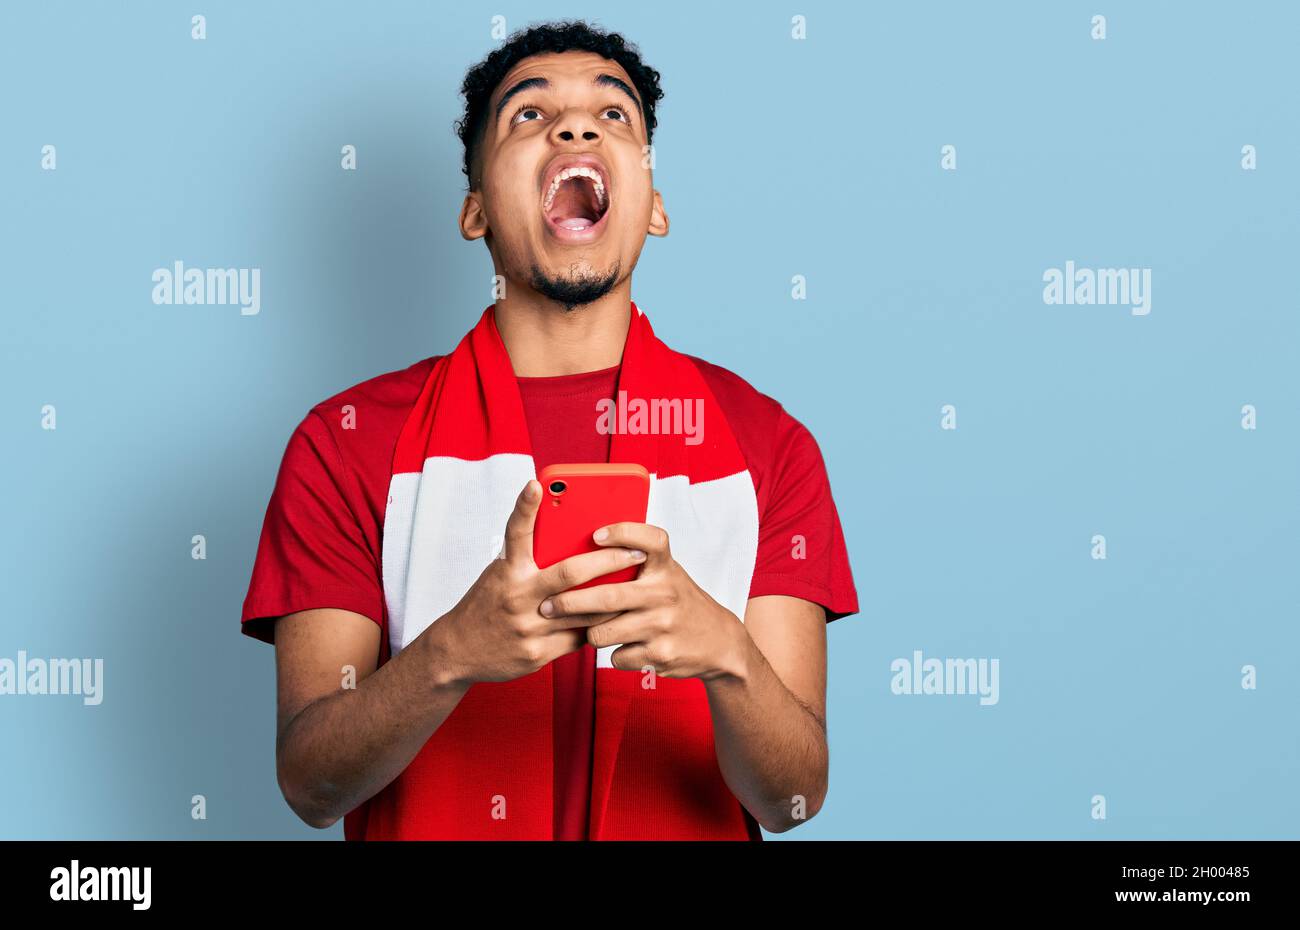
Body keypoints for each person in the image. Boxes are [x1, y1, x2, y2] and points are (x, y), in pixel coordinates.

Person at [241, 20, 858, 840]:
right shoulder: (343, 443)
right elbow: (313, 786)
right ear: (474, 211)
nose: (574, 126)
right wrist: (453, 651)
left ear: (658, 206)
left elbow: (794, 799)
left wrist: (729, 656)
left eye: (615, 117)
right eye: (528, 117)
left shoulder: (769, 444)